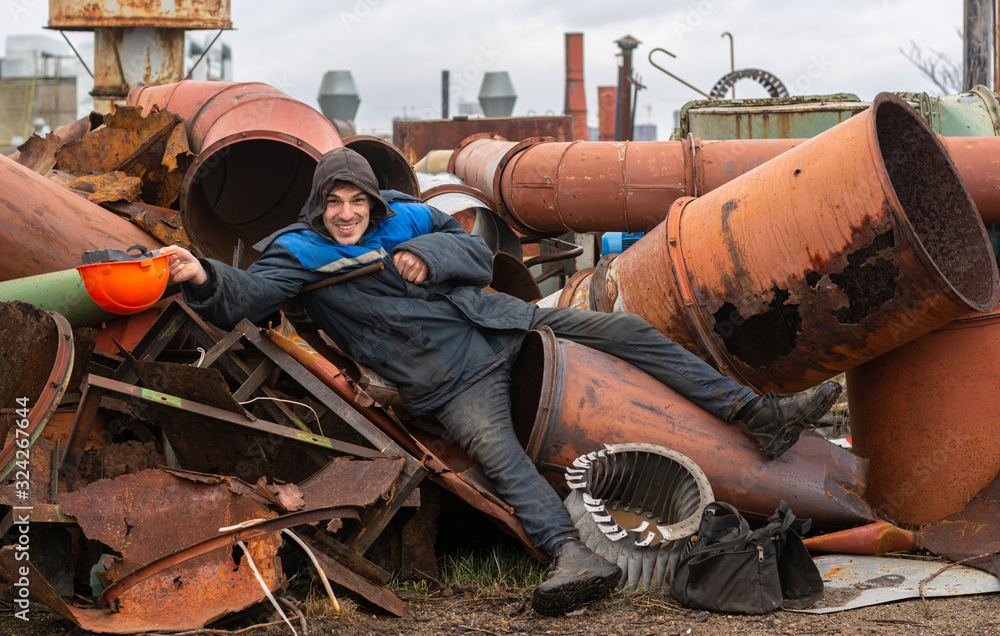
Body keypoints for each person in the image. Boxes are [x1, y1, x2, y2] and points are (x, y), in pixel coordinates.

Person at [164, 148, 840, 616]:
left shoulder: (403, 213)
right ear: (318, 205)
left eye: (355, 201)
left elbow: (472, 251)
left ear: (371, 198)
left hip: (500, 323)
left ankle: (758, 416)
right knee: (504, 460)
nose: (345, 214)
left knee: (629, 333)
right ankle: (574, 556)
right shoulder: (299, 253)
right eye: (333, 203)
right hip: (447, 379)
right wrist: (202, 275)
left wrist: (423, 255)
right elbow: (248, 296)